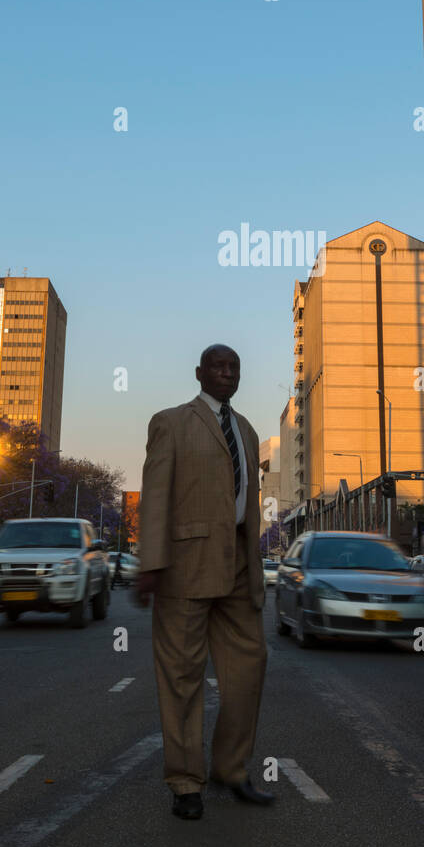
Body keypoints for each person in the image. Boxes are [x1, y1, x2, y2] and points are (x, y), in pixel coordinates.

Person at [135, 344, 273, 820]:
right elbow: (154, 496)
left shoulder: (248, 430)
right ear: (199, 373)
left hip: (238, 565)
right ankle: (185, 782)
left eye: (235, 366)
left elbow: (247, 503)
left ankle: (231, 770)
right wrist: (151, 564)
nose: (227, 373)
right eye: (218, 365)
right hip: (184, 567)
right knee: (182, 679)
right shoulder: (171, 422)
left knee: (248, 670)